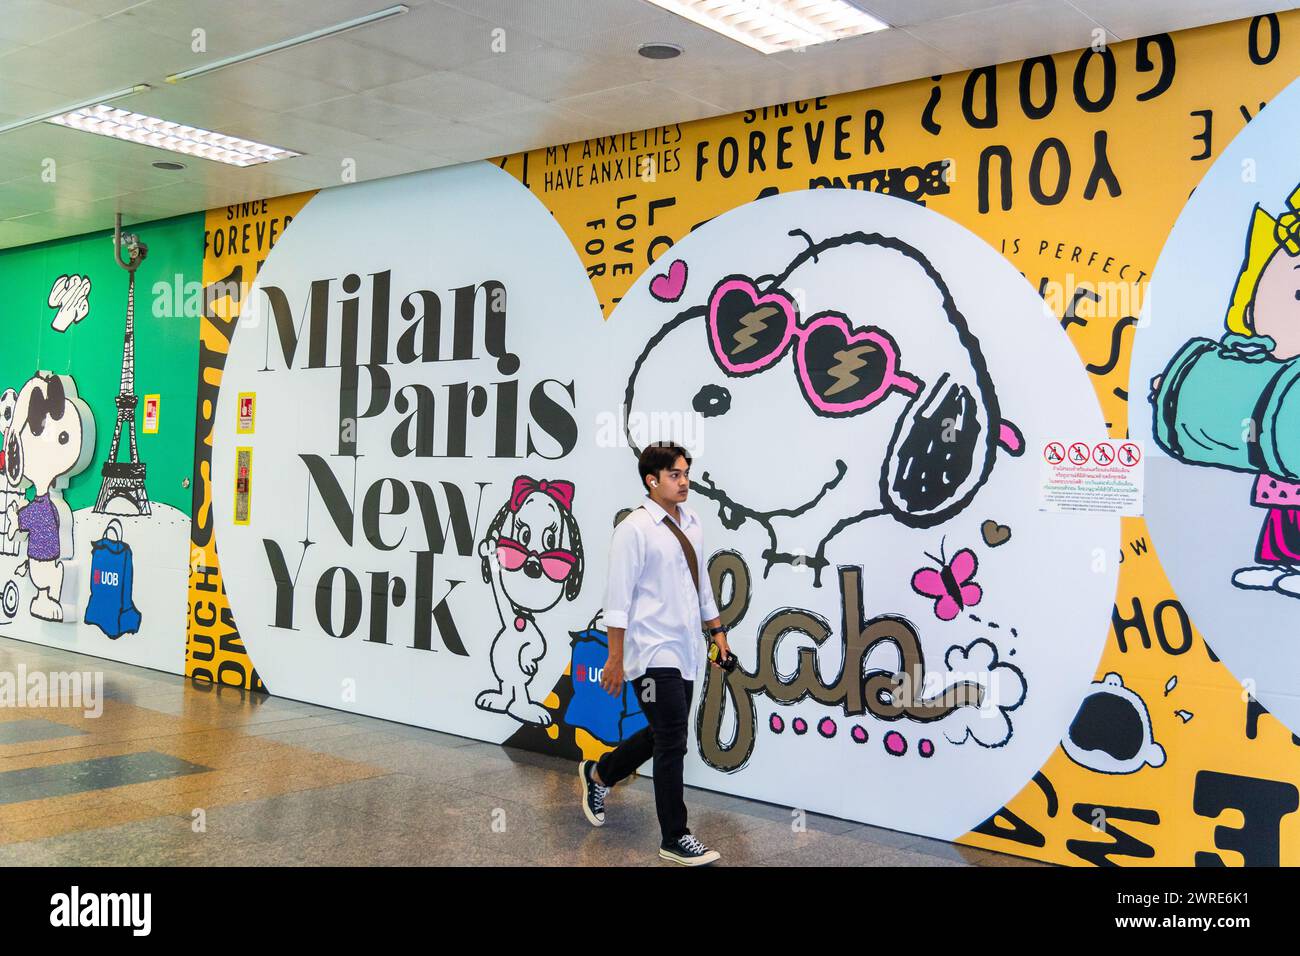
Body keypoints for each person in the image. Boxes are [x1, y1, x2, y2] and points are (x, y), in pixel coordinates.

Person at [578, 442, 731, 865]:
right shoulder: (634, 529)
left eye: (686, 473)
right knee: (671, 740)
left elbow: (700, 586)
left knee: (667, 732)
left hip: (684, 649)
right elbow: (617, 599)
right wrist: (614, 657)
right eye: (675, 475)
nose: (684, 482)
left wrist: (717, 632)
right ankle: (674, 836)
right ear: (652, 480)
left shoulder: (694, 523)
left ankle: (600, 772)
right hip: (649, 652)